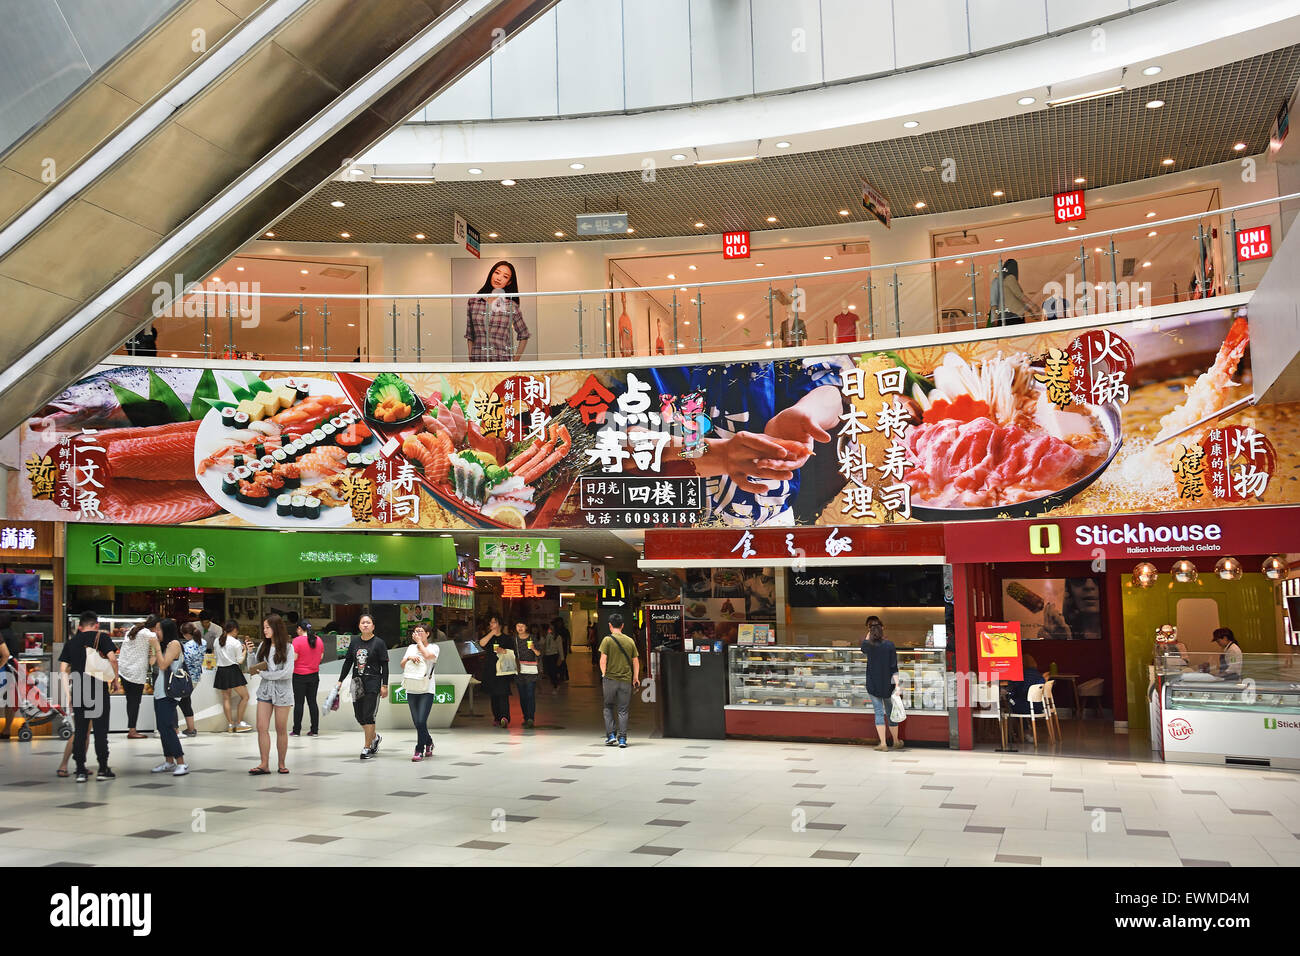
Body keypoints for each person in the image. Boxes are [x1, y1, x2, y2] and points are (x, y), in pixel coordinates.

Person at [59, 611, 118, 783]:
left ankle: (80, 771)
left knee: (80, 732)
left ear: (80, 626)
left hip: (78, 689)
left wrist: (68, 694)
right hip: (98, 688)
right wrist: (115, 681)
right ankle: (102, 769)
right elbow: (113, 659)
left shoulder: (71, 642)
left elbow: (63, 670)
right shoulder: (102, 638)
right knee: (100, 731)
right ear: (96, 625)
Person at [336, 612, 388, 758]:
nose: (365, 625)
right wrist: (340, 680)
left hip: (373, 682)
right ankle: (375, 737)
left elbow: (385, 666)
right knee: (359, 716)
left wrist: (385, 685)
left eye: (368, 622)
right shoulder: (354, 642)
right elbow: (348, 662)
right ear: (359, 626)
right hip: (356, 682)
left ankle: (367, 747)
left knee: (368, 715)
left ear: (373, 626)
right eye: (362, 623)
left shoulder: (379, 643)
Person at [248, 614, 295, 775]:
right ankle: (264, 763)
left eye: (267, 627)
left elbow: (287, 673)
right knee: (261, 727)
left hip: (283, 693)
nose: (265, 630)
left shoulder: (288, 648)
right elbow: (254, 669)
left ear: (276, 628)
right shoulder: (263, 645)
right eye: (264, 627)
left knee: (281, 728)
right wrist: (249, 653)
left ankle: (282, 764)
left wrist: (266, 675)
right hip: (265, 692)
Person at [148, 619, 189, 776]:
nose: (156, 632)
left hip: (169, 693)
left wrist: (157, 647)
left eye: (158, 629)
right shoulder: (165, 645)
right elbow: (153, 662)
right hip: (160, 691)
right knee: (162, 727)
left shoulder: (174, 644)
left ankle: (181, 762)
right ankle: (169, 761)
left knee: (168, 727)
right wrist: (155, 647)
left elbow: (164, 665)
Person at [466, 260, 529, 362]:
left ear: (509, 282)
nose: (499, 278)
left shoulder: (511, 306)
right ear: (491, 274)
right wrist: (471, 358)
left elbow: (524, 335)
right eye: (497, 273)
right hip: (478, 362)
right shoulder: (474, 302)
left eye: (505, 276)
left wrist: (515, 360)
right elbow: (470, 334)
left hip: (502, 363)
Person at [859, 616, 903, 752]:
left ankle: (883, 744)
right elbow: (894, 667)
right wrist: (897, 686)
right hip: (888, 685)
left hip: (873, 684)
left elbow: (863, 647)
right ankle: (895, 741)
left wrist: (868, 636)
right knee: (891, 713)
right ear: (882, 630)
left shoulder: (867, 645)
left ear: (870, 631)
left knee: (878, 712)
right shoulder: (890, 645)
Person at [598, 613, 639, 748]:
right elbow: (635, 661)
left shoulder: (607, 640)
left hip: (610, 679)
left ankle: (610, 736)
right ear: (622, 625)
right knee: (623, 710)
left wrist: (604, 674)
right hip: (626, 680)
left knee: (608, 707)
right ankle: (622, 739)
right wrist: (635, 678)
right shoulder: (630, 641)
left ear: (610, 625)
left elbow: (603, 660)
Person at [401, 623, 439, 761]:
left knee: (422, 720)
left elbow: (429, 656)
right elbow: (402, 664)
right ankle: (428, 742)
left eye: (421, 631)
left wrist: (419, 643)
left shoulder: (434, 647)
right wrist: (409, 657)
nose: (418, 633)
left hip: (427, 689)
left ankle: (419, 749)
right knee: (417, 722)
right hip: (412, 687)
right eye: (416, 631)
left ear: (428, 634)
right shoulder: (411, 648)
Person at [119, 616, 158, 739]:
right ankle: (132, 731)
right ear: (155, 626)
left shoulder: (133, 629)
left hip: (124, 669)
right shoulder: (149, 634)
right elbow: (154, 654)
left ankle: (132, 728)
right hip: (136, 672)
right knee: (134, 702)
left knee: (131, 701)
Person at [477, 614, 516, 727]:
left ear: (499, 624)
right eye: (490, 623)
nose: (491, 624)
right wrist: (491, 633)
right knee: (493, 694)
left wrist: (503, 651)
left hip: (503, 669)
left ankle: (505, 717)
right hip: (491, 668)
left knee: (503, 693)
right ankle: (497, 717)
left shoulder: (507, 638)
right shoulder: (489, 636)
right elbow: (482, 643)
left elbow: (512, 653)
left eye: (493, 622)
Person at [213, 620, 252, 733]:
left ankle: (230, 725)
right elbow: (239, 661)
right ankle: (239, 723)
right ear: (234, 629)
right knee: (245, 697)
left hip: (221, 671)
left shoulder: (217, 640)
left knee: (226, 698)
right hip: (233, 671)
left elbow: (215, 656)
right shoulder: (235, 643)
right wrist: (244, 651)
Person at [291, 621, 324, 737]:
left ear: (300, 629)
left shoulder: (296, 641)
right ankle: (314, 730)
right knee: (312, 702)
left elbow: (294, 658)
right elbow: (321, 657)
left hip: (299, 676)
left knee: (299, 703)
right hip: (314, 676)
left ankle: (296, 730)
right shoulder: (318, 640)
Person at [988, 258, 1033, 326]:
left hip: (1015, 314)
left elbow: (1017, 300)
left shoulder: (1008, 280)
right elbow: (994, 302)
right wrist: (995, 319)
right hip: (1009, 315)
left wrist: (1029, 310)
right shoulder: (999, 281)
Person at [179, 623, 205, 737]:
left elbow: (185, 661)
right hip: (196, 677)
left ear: (186, 634)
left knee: (183, 702)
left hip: (187, 677)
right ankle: (191, 728)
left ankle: (189, 728)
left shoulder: (187, 645)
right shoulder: (203, 642)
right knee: (186, 701)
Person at [514, 621, 540, 728]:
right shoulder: (514, 639)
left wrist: (533, 648)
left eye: (522, 625)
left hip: (531, 670)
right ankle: (526, 716)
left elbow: (539, 653)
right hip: (519, 670)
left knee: (530, 694)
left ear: (526, 627)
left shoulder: (532, 638)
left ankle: (530, 718)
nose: (520, 628)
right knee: (522, 696)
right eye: (518, 625)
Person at [1006, 654, 1046, 720]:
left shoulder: (1021, 676)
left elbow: (1013, 690)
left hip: (1026, 707)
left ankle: (1020, 728)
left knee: (1008, 702)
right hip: (1038, 707)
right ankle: (1024, 727)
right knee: (1017, 700)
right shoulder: (1038, 675)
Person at [0, 613, 17, 739]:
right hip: (13, 672)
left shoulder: (2, 635)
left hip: (4, 672)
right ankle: (7, 730)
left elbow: (5, 654)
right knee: (9, 703)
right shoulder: (12, 634)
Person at [539, 623, 563, 693]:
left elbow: (560, 648)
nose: (551, 630)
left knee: (553, 672)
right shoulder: (547, 636)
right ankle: (555, 684)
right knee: (548, 672)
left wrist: (561, 658)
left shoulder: (557, 637)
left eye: (552, 628)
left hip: (554, 655)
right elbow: (544, 646)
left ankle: (556, 685)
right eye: (550, 628)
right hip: (547, 656)